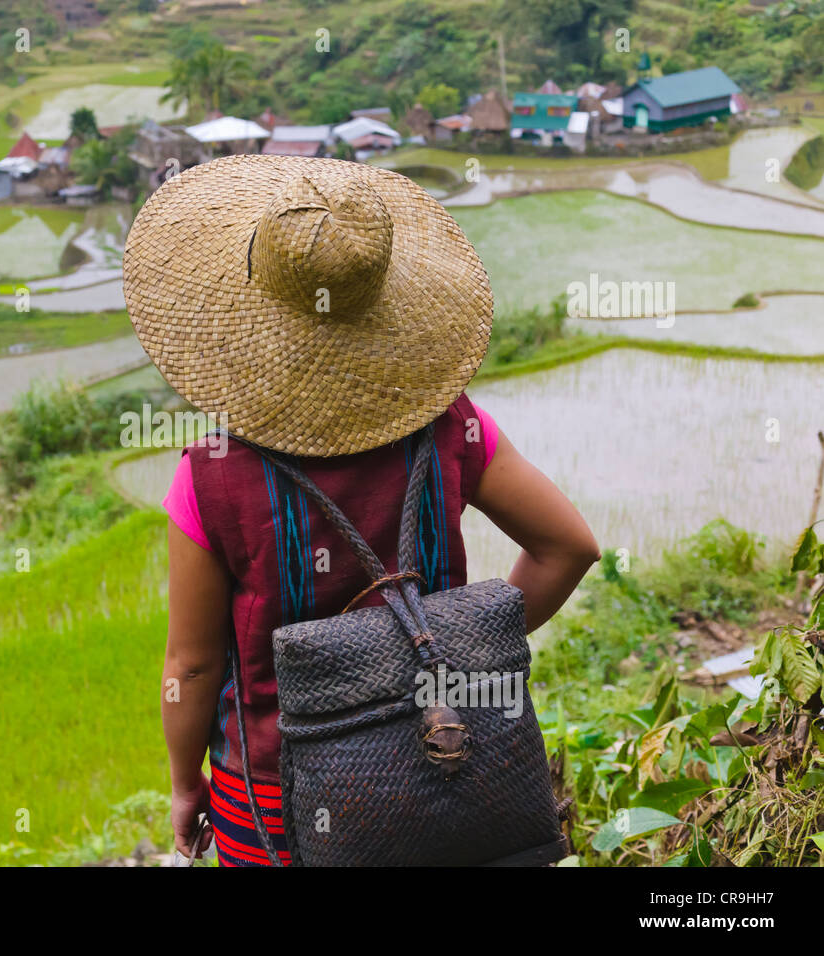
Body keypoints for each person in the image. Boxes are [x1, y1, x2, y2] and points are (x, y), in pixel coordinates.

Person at [120, 155, 601, 867]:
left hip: (273, 802)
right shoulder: (453, 427)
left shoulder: (211, 476)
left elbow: (190, 668)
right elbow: (570, 547)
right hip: (443, 763)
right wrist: (455, 657)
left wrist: (184, 784)